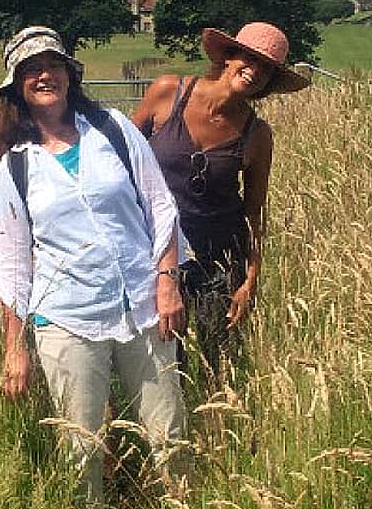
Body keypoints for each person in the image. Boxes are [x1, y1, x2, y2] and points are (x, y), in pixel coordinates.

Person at [0, 26, 187, 509]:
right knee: (81, 448)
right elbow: (12, 265)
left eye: (52, 65)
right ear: (16, 89)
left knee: (170, 435)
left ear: (70, 74)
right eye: (31, 70)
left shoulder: (115, 130)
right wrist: (16, 349)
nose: (43, 75)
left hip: (144, 307)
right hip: (66, 319)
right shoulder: (15, 166)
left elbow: (160, 207)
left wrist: (168, 280)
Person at [131, 21, 310, 385]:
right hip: (158, 254)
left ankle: (218, 433)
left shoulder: (256, 134)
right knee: (163, 359)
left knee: (219, 362)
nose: (255, 70)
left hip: (220, 259)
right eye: (250, 58)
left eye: (267, 69)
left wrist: (250, 279)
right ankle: (170, 434)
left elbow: (255, 209)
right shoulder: (168, 92)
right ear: (229, 56)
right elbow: (121, 164)